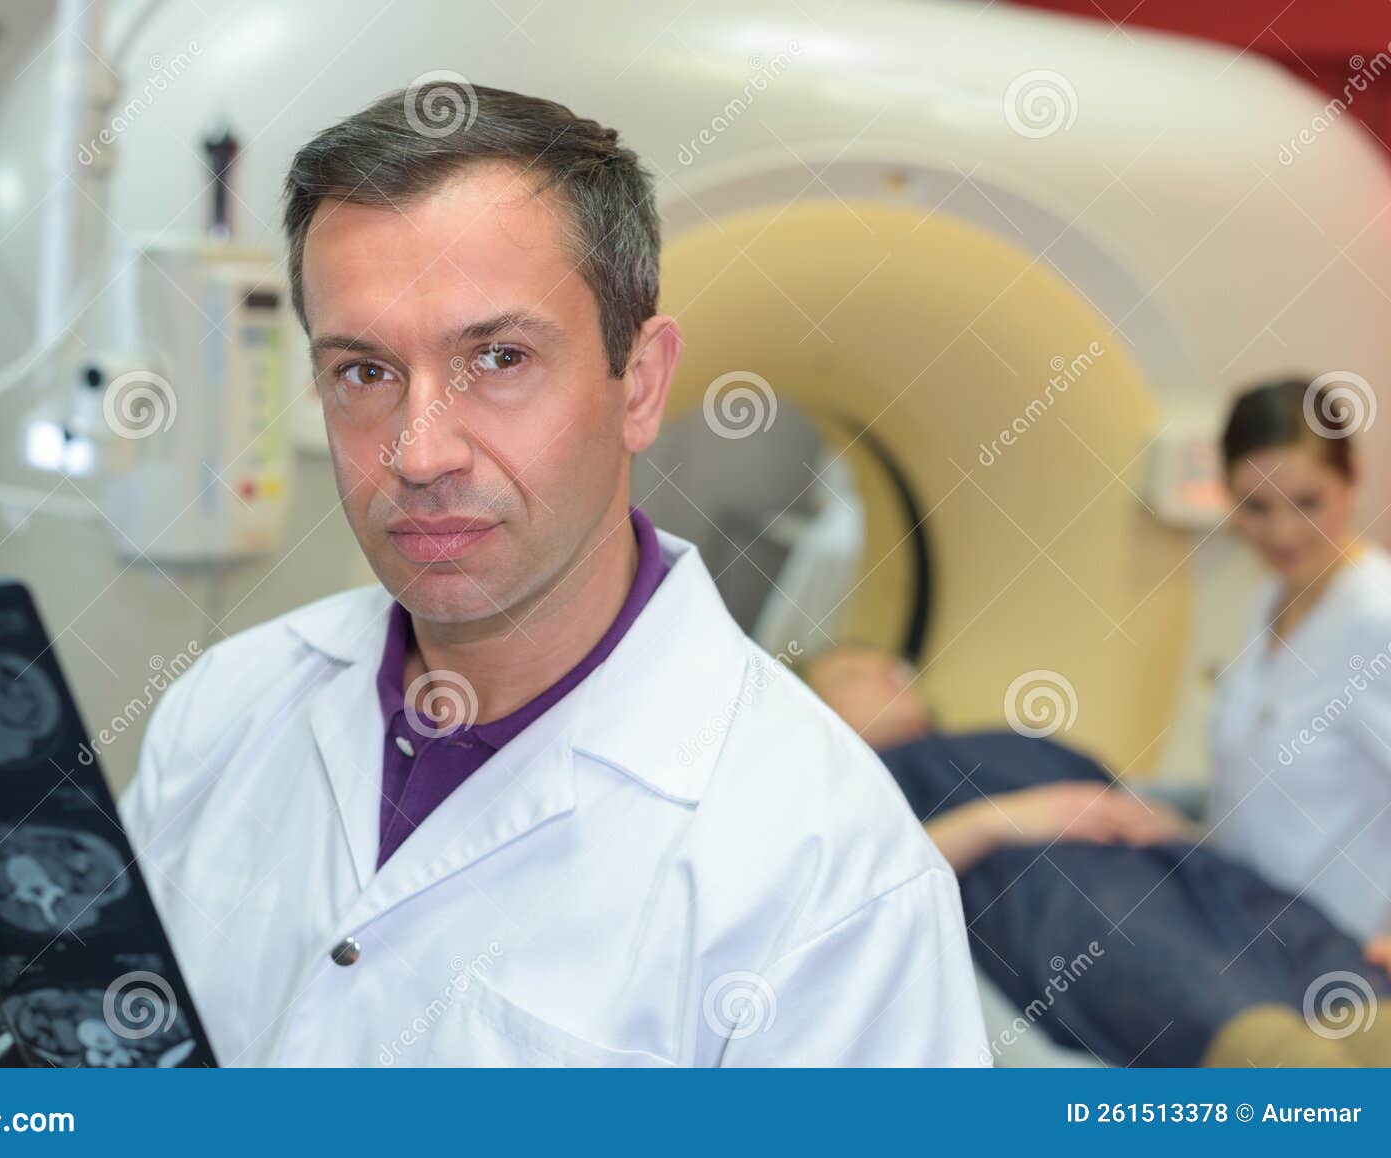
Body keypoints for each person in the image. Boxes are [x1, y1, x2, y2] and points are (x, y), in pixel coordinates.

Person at [119, 84, 986, 1067]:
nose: (419, 453)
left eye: (497, 357)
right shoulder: (219, 711)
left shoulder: (828, 873)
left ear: (642, 384)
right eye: (365, 373)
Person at [800, 643, 1391, 1066]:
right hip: (1071, 899)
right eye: (855, 671)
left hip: (1180, 867)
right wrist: (1004, 821)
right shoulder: (860, 789)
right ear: (810, 713)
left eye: (888, 663)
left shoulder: (1007, 737)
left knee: (1338, 976)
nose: (886, 670)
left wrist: (1165, 824)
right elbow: (864, 893)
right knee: (1243, 1018)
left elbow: (1122, 798)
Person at [1210, 377, 1391, 961]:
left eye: (1306, 503)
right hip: (1241, 920)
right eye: (1255, 508)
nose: (1282, 533)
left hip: (1332, 957)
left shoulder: (1377, 618)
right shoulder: (1267, 600)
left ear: (1353, 478)